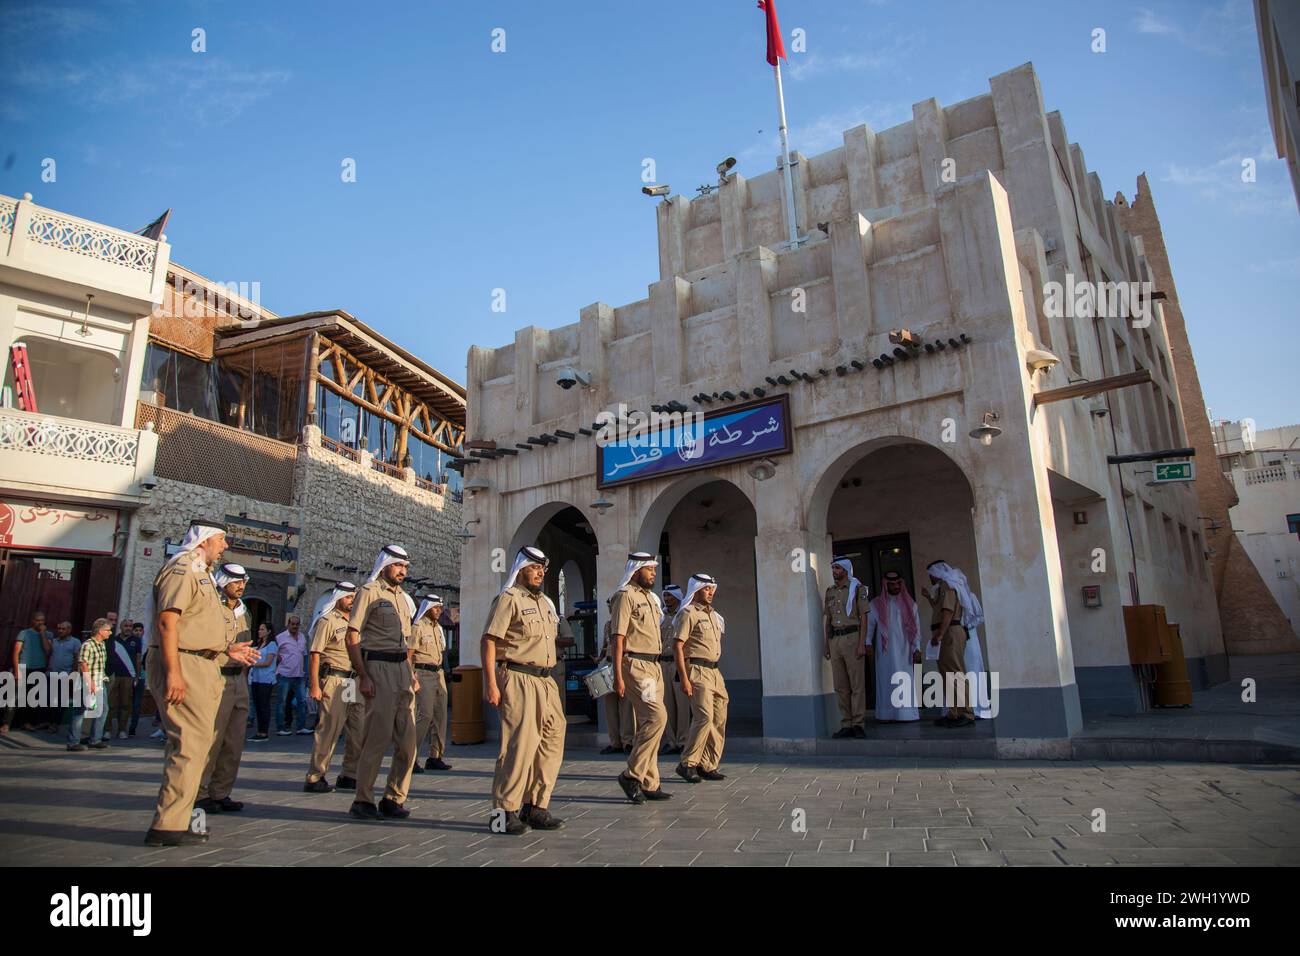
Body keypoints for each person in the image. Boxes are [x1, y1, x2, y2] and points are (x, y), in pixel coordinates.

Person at [143, 519, 258, 847]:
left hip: (203, 662)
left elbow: (197, 625)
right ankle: (168, 825)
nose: (224, 546)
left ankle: (182, 820)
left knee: (197, 747)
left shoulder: (202, 574)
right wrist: (174, 672)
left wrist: (228, 648)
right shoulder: (182, 569)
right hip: (184, 661)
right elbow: (168, 622)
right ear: (204, 540)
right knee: (189, 747)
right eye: (221, 540)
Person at [482, 546, 566, 835]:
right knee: (519, 746)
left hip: (546, 680)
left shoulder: (545, 603)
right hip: (518, 676)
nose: (541, 573)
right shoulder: (509, 599)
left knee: (551, 740)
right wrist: (490, 683)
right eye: (535, 567)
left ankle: (536, 805)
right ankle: (503, 813)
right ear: (520, 569)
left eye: (543, 568)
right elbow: (490, 640)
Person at [346, 545, 418, 820]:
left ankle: (393, 797)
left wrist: (410, 673)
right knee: (377, 737)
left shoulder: (403, 598)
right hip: (378, 667)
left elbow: (407, 642)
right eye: (398, 565)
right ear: (386, 565)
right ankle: (363, 799)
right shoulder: (369, 592)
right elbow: (352, 635)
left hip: (401, 670)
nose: (402, 571)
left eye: (406, 567)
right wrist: (363, 674)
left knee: (408, 742)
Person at [610, 552, 672, 805]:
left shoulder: (649, 598)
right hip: (636, 665)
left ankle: (650, 782)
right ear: (636, 570)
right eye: (649, 569)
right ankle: (631, 774)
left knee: (650, 722)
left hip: (654, 666)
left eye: (655, 569)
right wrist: (617, 674)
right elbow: (618, 637)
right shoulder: (625, 596)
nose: (653, 573)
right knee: (657, 717)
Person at [195, 563, 254, 814]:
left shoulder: (243, 611)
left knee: (233, 740)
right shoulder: (211, 607)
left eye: (243, 582)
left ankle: (221, 792)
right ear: (223, 581)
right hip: (215, 676)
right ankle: (200, 792)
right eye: (235, 581)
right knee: (211, 739)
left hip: (239, 679)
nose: (240, 586)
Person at [303, 581, 363, 792]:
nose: (351, 602)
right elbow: (315, 654)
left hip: (352, 681)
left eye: (354, 598)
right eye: (348, 598)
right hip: (334, 678)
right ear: (338, 599)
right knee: (329, 728)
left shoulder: (355, 623)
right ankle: (315, 776)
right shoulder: (327, 620)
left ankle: (349, 773)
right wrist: (314, 686)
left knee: (357, 728)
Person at [674, 573, 728, 785]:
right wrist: (684, 678)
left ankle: (707, 764)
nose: (711, 593)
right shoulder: (688, 613)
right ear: (696, 590)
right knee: (703, 717)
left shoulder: (714, 615)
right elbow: (678, 645)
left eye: (712, 589)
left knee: (719, 718)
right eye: (706, 589)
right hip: (697, 670)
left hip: (715, 672)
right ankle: (687, 763)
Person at [924, 560, 993, 720]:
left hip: (951, 632)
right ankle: (954, 712)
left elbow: (947, 612)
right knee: (948, 674)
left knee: (955, 673)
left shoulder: (948, 587)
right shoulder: (942, 589)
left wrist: (940, 634)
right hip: (947, 632)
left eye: (931, 575)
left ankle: (966, 713)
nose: (931, 578)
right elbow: (939, 610)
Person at [866, 571, 921, 722]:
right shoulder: (875, 604)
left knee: (905, 680)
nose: (896, 586)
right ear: (886, 585)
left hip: (905, 650)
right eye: (892, 584)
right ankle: (887, 714)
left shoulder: (911, 605)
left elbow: (916, 629)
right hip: (885, 652)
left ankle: (906, 715)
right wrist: (867, 643)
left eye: (898, 583)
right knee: (887, 680)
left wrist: (917, 648)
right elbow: (869, 627)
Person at [824, 557, 870, 738]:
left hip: (852, 637)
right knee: (840, 685)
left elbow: (864, 617)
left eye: (837, 568)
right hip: (836, 639)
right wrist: (826, 644)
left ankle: (858, 723)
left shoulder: (857, 589)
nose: (834, 571)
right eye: (833, 568)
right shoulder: (830, 591)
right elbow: (827, 619)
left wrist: (862, 643)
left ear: (845, 570)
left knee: (857, 684)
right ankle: (846, 723)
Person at [410, 593, 452, 774]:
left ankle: (435, 756)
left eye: (440, 608)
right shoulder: (418, 627)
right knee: (425, 715)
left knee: (440, 716)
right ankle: (410, 756)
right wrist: (411, 676)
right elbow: (409, 654)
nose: (438, 611)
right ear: (427, 608)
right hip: (423, 672)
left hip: (438, 673)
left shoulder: (438, 628)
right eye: (435, 608)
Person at [68, 618, 112, 751]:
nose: (110, 633)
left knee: (103, 709)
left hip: (100, 681)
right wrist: (89, 682)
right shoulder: (88, 645)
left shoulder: (102, 644)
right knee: (81, 710)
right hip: (88, 681)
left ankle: (95, 739)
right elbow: (83, 664)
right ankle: (73, 742)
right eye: (108, 630)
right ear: (100, 631)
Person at [597, 600, 634, 754]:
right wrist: (599, 658)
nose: (612, 608)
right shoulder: (608, 624)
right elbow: (605, 645)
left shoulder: (629, 623)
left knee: (626, 705)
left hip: (623, 664)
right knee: (610, 706)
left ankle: (628, 741)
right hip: (609, 664)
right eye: (610, 606)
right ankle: (615, 741)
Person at [9, 611, 54, 732]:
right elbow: (16, 652)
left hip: (39, 668)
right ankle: (9, 723)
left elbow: (47, 650)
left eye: (42, 621)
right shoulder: (24, 633)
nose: (40, 623)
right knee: (17, 696)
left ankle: (28, 722)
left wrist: (42, 634)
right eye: (38, 620)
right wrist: (17, 670)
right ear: (32, 620)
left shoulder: (48, 634)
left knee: (33, 698)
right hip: (24, 668)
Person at [659, 585, 688, 755]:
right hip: (663, 663)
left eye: (670, 596)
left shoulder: (683, 615)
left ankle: (683, 740)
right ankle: (670, 741)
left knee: (682, 704)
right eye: (665, 596)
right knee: (666, 703)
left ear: (677, 597)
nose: (667, 599)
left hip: (678, 663)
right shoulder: (661, 617)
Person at [106, 617, 141, 739]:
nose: (128, 628)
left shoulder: (136, 641)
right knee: (110, 704)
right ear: (121, 627)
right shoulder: (113, 640)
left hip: (128, 676)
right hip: (114, 675)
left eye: (130, 626)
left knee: (125, 704)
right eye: (126, 626)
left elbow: (138, 659)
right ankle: (107, 729)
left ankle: (122, 730)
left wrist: (137, 676)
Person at [274, 616, 309, 736]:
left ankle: (301, 726)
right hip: (285, 674)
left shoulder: (302, 637)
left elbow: (304, 655)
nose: (295, 626)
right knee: (282, 702)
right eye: (293, 624)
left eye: (297, 624)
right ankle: (280, 727)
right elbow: (275, 655)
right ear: (288, 624)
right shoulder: (280, 638)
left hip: (299, 675)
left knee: (302, 702)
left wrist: (306, 672)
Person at [47, 622, 82, 734]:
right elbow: (49, 654)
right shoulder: (54, 641)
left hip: (66, 675)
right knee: (50, 700)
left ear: (69, 630)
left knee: (61, 701)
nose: (60, 631)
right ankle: (48, 722)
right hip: (52, 674)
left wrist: (74, 673)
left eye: (63, 629)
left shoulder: (75, 642)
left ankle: (55, 723)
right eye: (59, 628)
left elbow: (77, 659)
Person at [248, 622, 278, 741]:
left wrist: (253, 664)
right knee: (258, 705)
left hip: (266, 680)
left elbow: (268, 662)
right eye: (259, 629)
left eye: (262, 629)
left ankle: (263, 732)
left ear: (269, 631)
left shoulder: (272, 645)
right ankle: (259, 731)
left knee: (264, 706)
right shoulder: (259, 645)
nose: (259, 631)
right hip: (256, 678)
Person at [128, 622, 147, 736]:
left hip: (141, 676)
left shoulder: (146, 643)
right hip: (129, 674)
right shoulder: (130, 642)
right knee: (125, 701)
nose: (138, 632)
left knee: (137, 702)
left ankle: (132, 727)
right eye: (136, 630)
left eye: (140, 630)